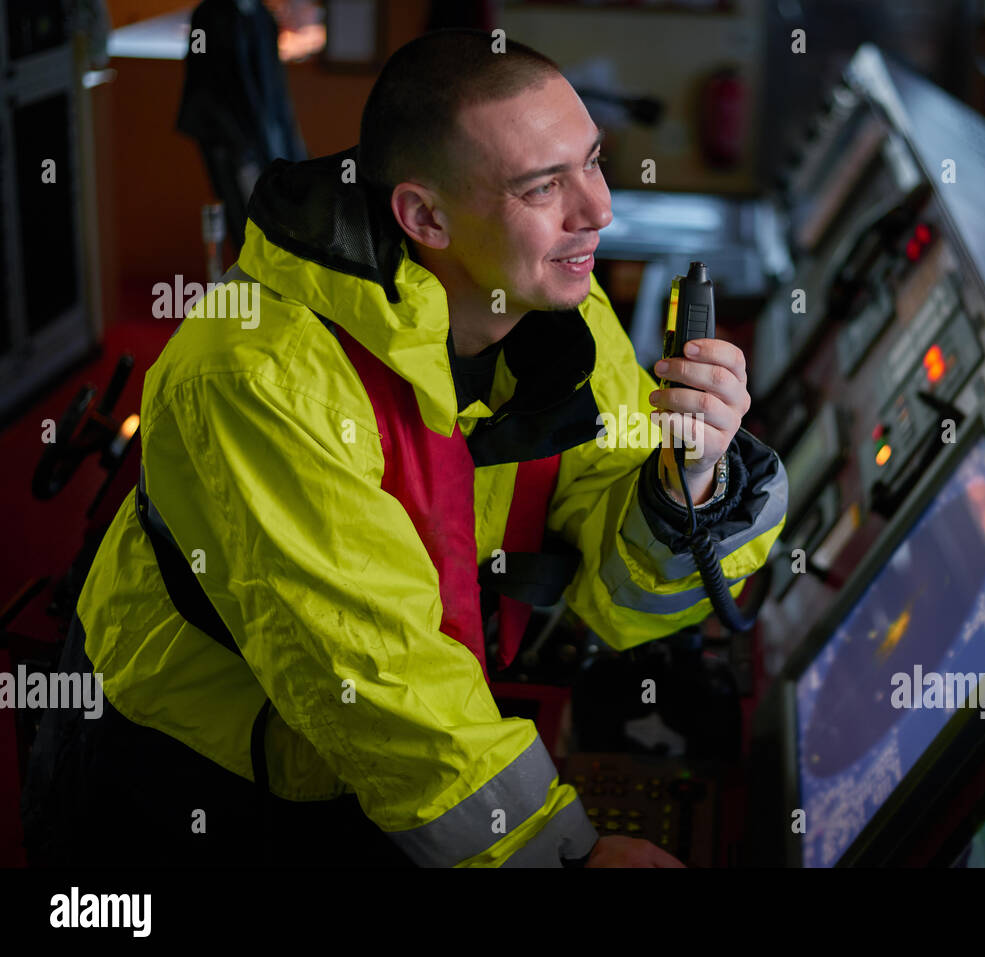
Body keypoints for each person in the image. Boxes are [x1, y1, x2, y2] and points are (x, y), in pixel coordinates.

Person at [22, 28, 787, 868]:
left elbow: (620, 591)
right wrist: (561, 853)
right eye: (544, 186)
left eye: (594, 161)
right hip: (190, 782)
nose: (599, 208)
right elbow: (377, 683)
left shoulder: (559, 314)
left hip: (373, 761)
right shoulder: (258, 376)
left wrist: (694, 482)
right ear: (424, 215)